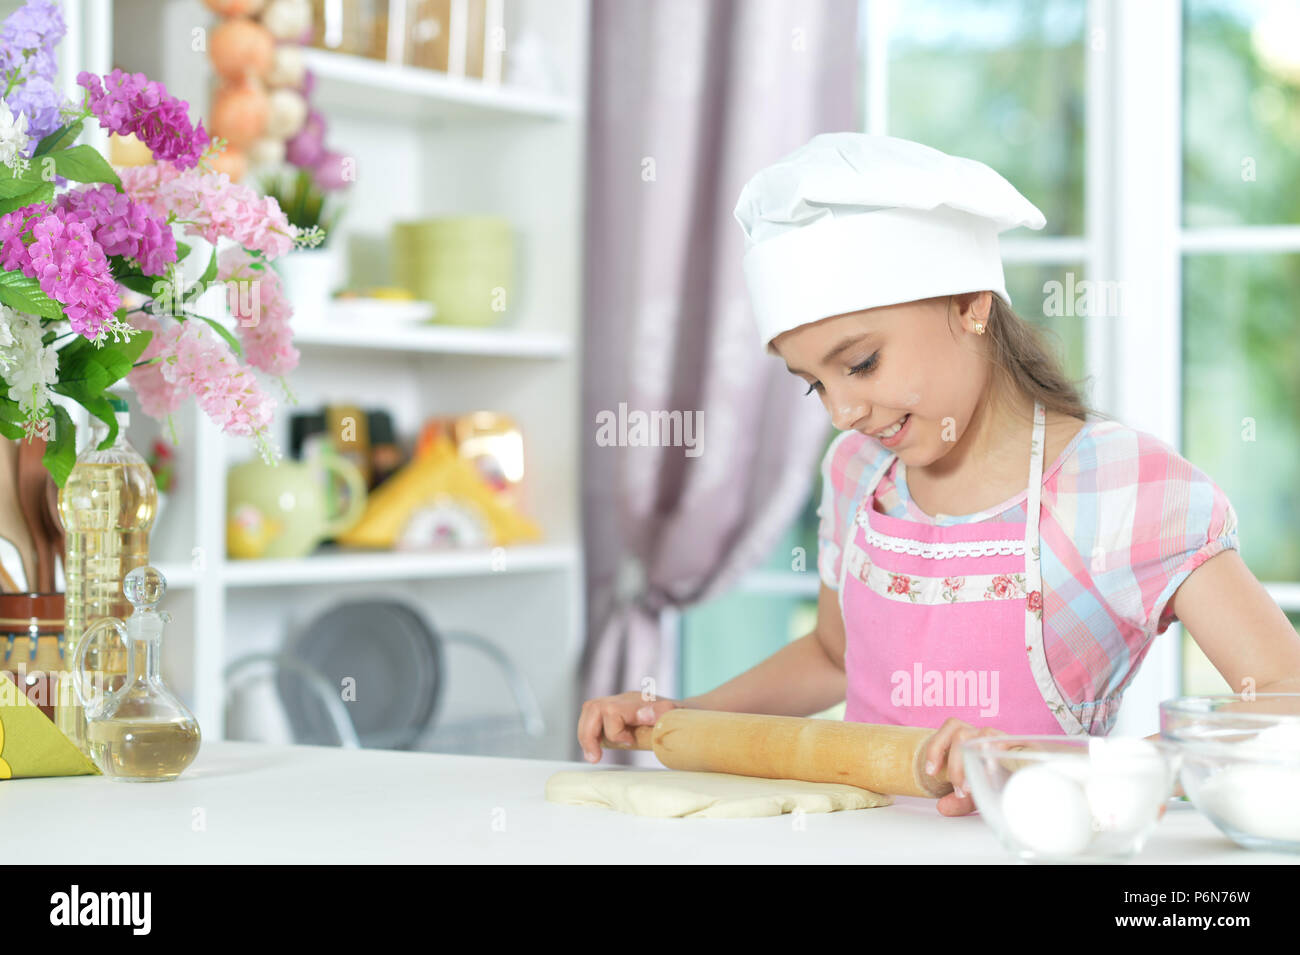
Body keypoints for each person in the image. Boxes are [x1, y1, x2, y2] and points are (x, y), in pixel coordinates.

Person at [576, 133, 1300, 816]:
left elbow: (1284, 691)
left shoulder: (1123, 488)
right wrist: (689, 713)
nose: (842, 410)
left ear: (969, 304)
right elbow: (835, 653)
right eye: (813, 383)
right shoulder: (859, 471)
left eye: (860, 363)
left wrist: (1096, 776)